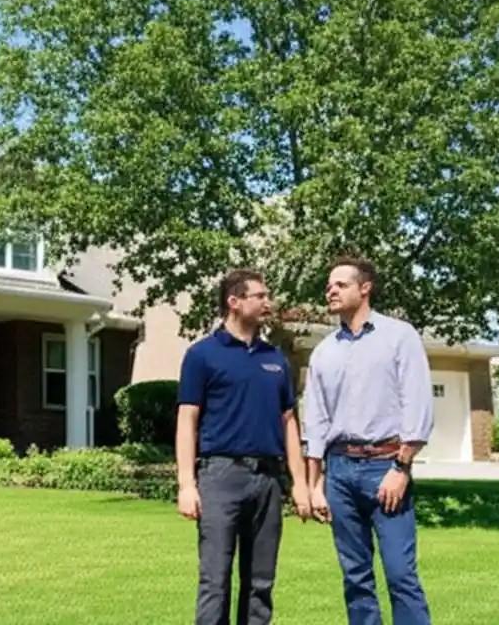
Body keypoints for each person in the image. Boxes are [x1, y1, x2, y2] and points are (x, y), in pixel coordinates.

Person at [175, 268, 311, 625]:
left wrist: (299, 483)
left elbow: (289, 422)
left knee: (260, 583)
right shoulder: (202, 355)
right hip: (221, 476)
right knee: (215, 580)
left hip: (268, 480)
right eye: (260, 296)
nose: (268, 302)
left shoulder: (275, 359)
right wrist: (187, 484)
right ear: (234, 302)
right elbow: (187, 420)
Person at [303, 255, 434, 625]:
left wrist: (401, 467)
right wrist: (315, 485)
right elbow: (316, 422)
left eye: (340, 284)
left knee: (400, 574)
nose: (330, 291)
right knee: (355, 577)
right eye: (329, 286)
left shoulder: (399, 336)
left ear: (365, 288)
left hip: (385, 468)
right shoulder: (324, 351)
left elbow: (417, 404)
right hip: (339, 473)